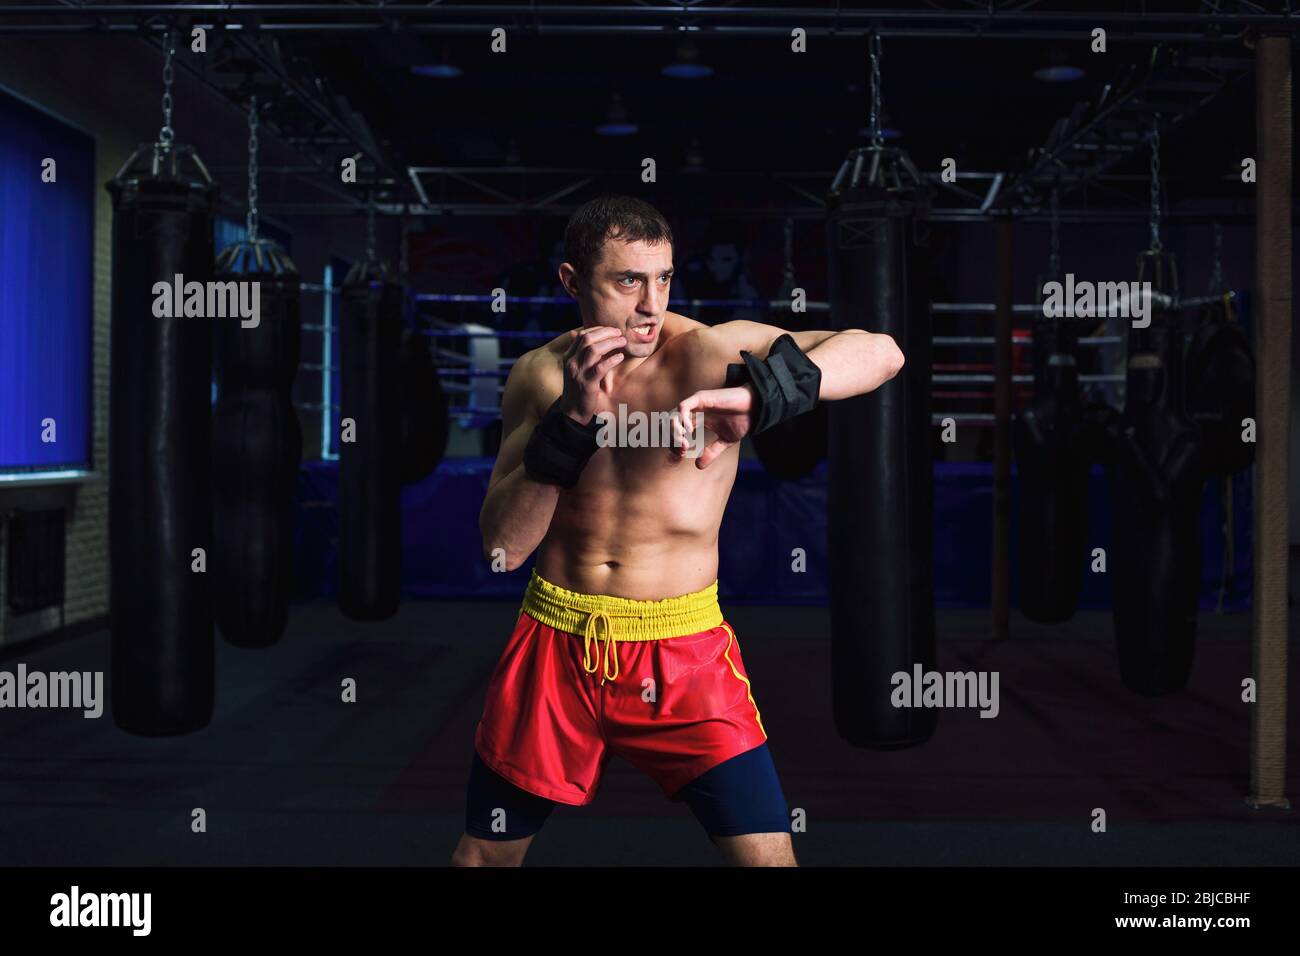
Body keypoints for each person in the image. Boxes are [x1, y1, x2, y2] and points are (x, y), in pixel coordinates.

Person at [452, 195, 904, 867]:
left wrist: (760, 392)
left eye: (663, 278)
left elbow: (882, 352)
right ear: (573, 282)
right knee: (484, 858)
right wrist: (572, 424)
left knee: (768, 860)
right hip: (557, 643)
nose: (650, 303)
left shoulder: (710, 353)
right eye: (627, 280)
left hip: (682, 650)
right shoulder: (540, 377)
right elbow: (505, 547)